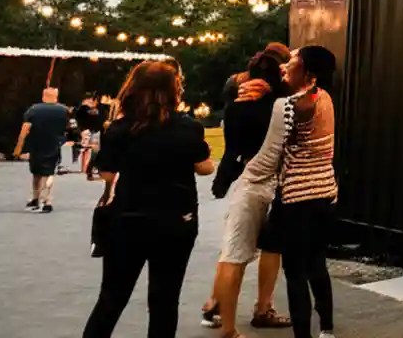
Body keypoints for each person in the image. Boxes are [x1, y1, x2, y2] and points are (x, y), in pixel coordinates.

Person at [82, 60, 215, 338]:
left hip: (129, 217)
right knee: (165, 300)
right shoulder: (188, 127)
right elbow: (205, 168)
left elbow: (106, 173)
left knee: (112, 297)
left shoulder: (119, 128)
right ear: (173, 90)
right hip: (176, 219)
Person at [242, 46, 340, 338]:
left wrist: (245, 179)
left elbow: (270, 156)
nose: (285, 66)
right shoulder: (325, 98)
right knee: (317, 264)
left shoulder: (287, 106)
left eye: (292, 62)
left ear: (308, 74)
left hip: (296, 198)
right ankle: (327, 329)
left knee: (295, 272)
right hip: (325, 193)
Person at [201, 45, 294, 335]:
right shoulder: (285, 104)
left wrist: (223, 179)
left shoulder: (237, 104)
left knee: (233, 250)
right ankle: (262, 308)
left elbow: (232, 148)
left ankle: (217, 306)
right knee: (271, 248)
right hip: (277, 183)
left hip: (245, 180)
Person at [13, 86, 71, 212]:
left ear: (43, 96)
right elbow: (69, 127)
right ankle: (47, 200)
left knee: (36, 173)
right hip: (54, 144)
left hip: (36, 145)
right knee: (49, 172)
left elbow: (25, 129)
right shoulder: (64, 110)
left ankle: (35, 198)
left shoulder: (33, 109)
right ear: (56, 97)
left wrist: (19, 147)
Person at [76, 94, 105, 176]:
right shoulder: (83, 109)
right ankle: (84, 168)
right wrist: (81, 129)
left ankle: (88, 167)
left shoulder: (100, 108)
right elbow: (79, 118)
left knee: (93, 150)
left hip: (95, 131)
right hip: (86, 130)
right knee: (85, 149)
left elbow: (101, 119)